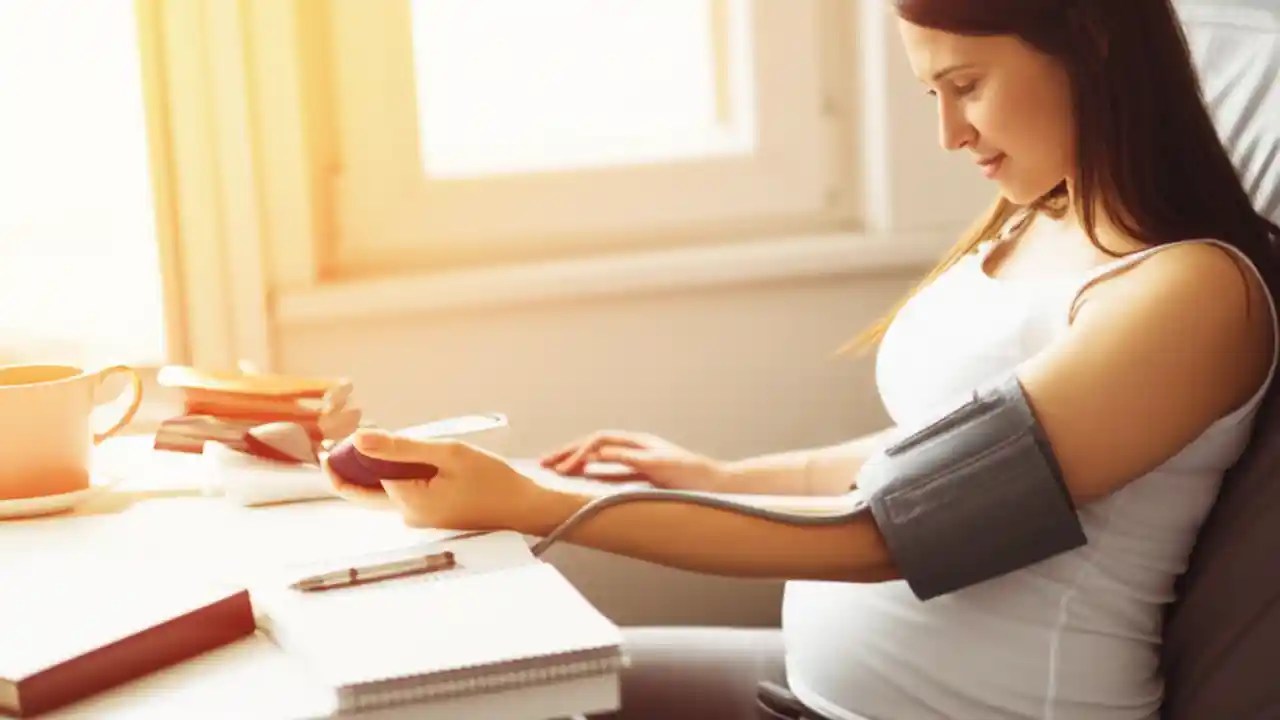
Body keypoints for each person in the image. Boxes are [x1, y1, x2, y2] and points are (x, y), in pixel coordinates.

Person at [324, 0, 1280, 718]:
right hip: (820, 696)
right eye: (929, 93)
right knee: (455, 696)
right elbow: (923, 450)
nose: (947, 134)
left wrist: (537, 506)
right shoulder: (1044, 218)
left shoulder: (1191, 295)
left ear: (1095, 40)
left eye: (966, 85)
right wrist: (715, 476)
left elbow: (887, 533)